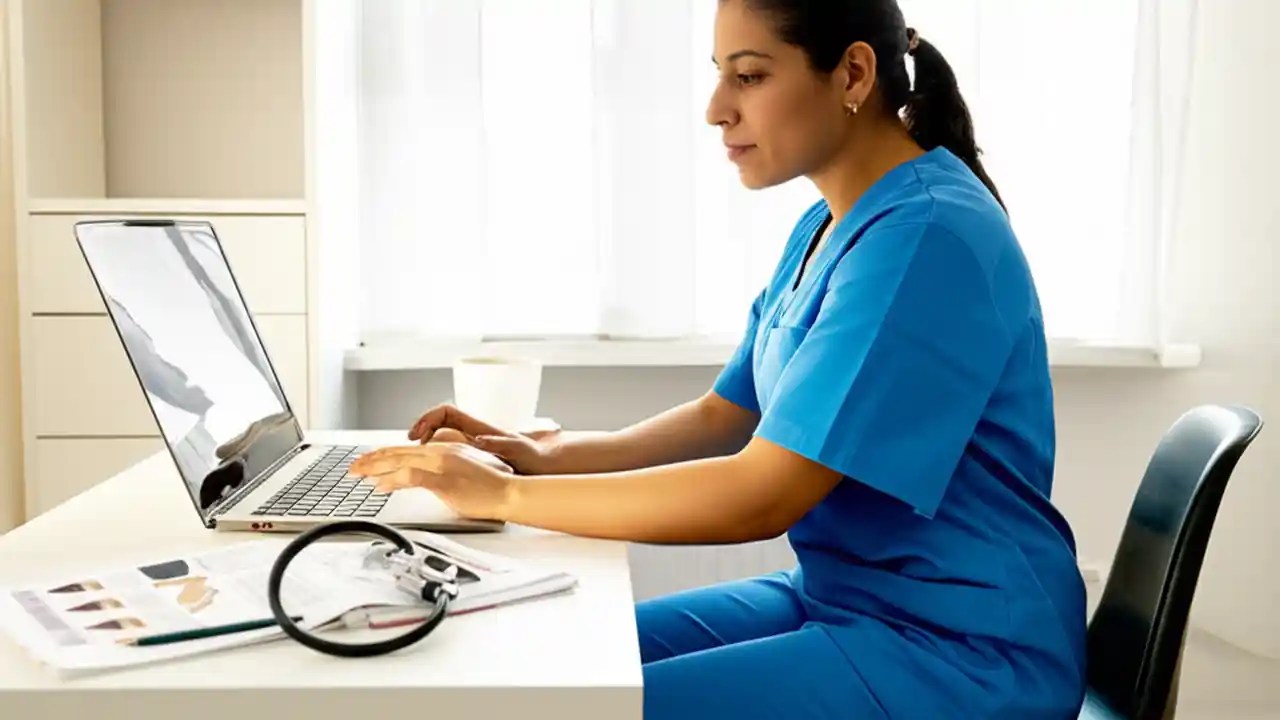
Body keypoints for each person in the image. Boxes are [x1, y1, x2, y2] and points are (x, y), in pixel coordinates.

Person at [350, 0, 1087, 717]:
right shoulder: (829, 225)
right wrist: (546, 457)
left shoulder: (924, 236)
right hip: (845, 598)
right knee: (547, 663)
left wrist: (503, 498)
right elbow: (725, 414)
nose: (716, 108)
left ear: (854, 75)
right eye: (720, 73)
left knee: (567, 706)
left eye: (750, 76)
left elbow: (761, 495)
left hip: (960, 651)